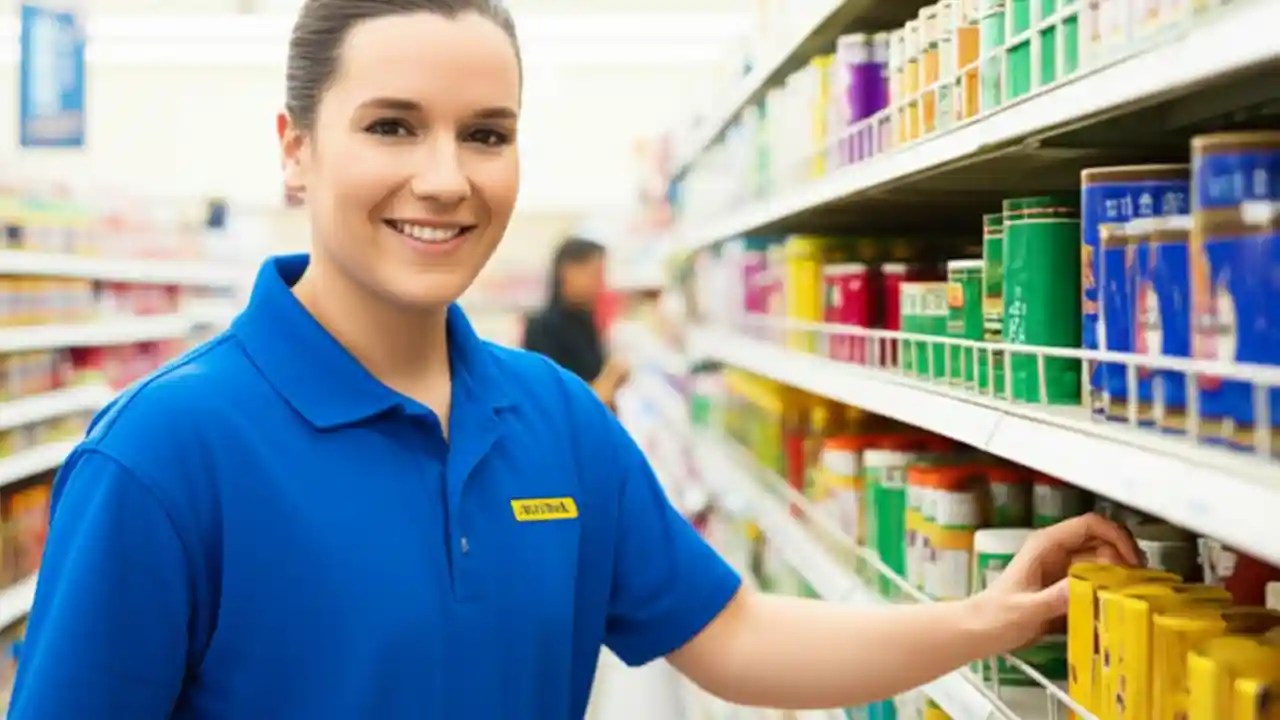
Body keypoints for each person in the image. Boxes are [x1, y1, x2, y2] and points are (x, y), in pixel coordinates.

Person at [8, 1, 1142, 718]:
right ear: (296, 151)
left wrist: (984, 622)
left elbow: (734, 639)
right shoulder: (163, 454)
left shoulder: (552, 419)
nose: (447, 177)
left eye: (486, 132)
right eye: (392, 126)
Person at [522, 236, 630, 406]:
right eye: (595, 274)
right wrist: (610, 378)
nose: (601, 284)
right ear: (568, 272)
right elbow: (558, 405)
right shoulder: (542, 329)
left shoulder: (586, 323)